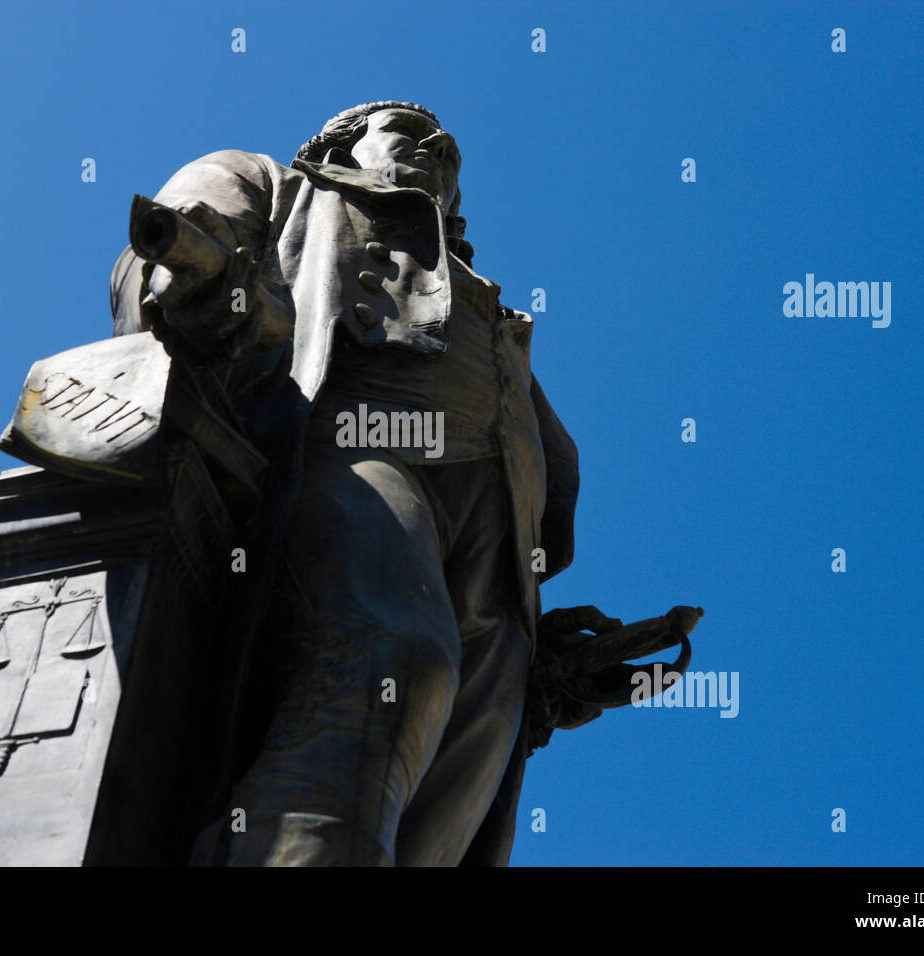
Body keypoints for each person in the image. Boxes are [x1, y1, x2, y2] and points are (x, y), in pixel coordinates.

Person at [109, 102, 580, 865]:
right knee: (392, 664)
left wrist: (554, 665)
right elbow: (181, 237)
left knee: (446, 813)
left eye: (451, 153)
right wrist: (202, 277)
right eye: (409, 131)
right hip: (356, 457)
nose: (438, 150)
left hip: (499, 578)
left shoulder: (486, 301)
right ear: (339, 143)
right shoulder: (282, 185)